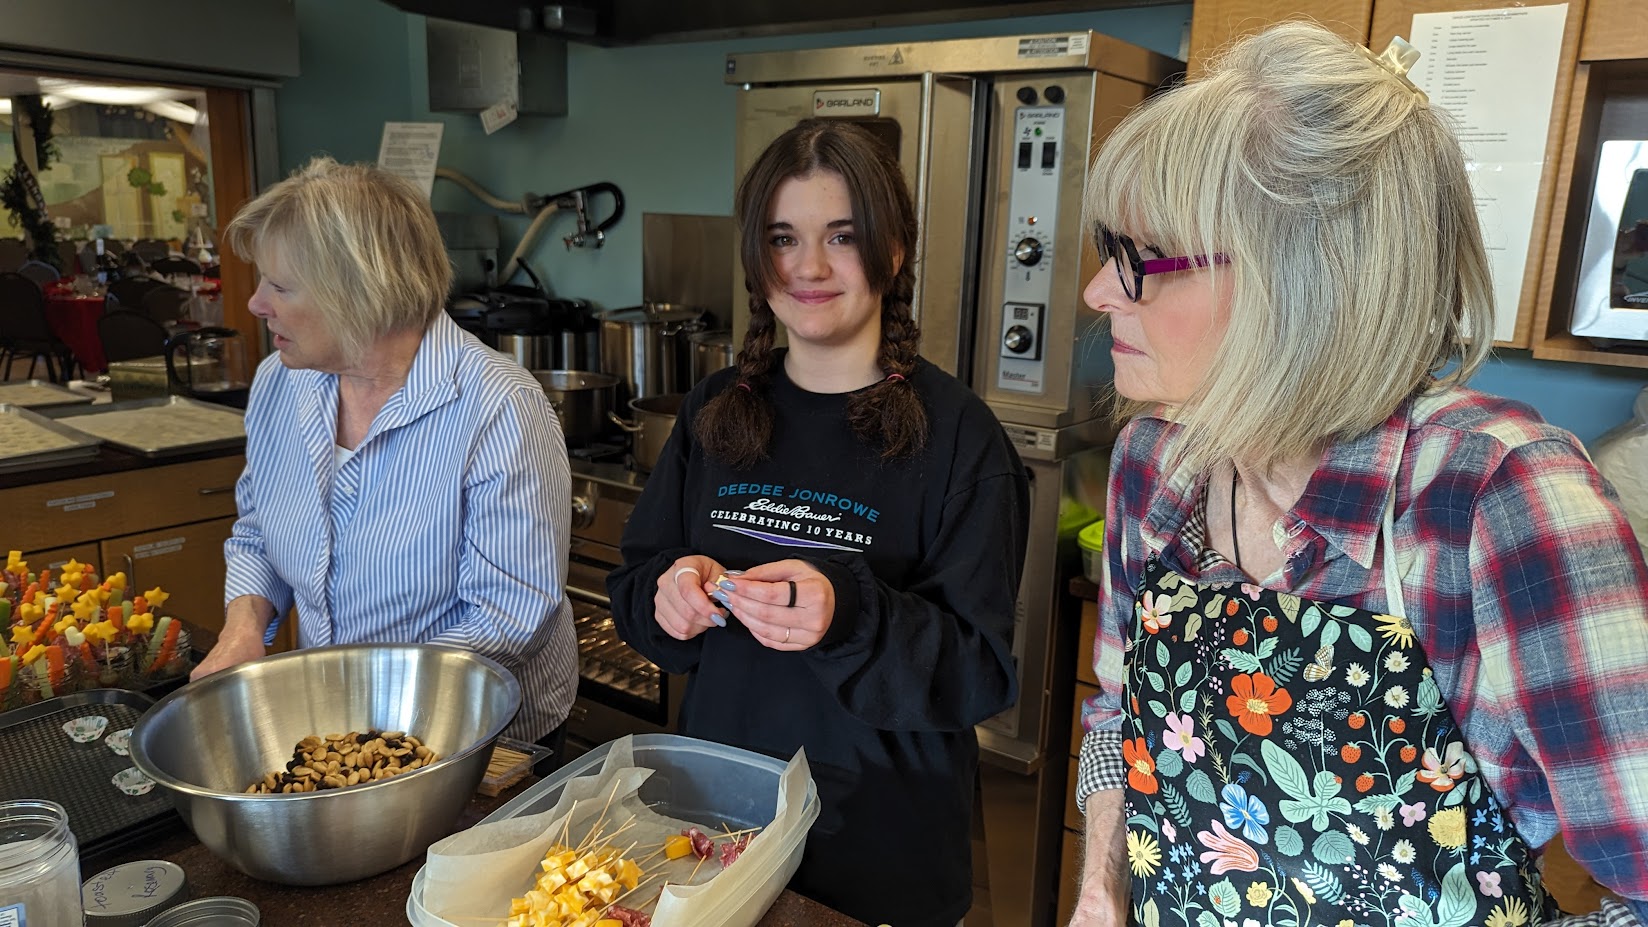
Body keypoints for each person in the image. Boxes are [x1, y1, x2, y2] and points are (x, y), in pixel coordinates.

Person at [1069, 23, 1648, 927]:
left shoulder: (1497, 499)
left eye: (1141, 258)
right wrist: (1102, 887)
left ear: (1296, 282)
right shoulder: (1158, 461)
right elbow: (1116, 719)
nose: (1100, 291)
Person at [606, 119, 1029, 927]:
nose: (808, 266)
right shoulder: (714, 411)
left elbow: (980, 673)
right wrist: (668, 597)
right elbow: (637, 584)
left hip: (879, 858)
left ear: (893, 249)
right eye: (782, 238)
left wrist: (847, 609)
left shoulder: (961, 438)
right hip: (713, 837)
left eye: (841, 235)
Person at [191, 157, 578, 751]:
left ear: (358, 292)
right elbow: (259, 532)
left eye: (281, 286)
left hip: (481, 742)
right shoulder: (280, 381)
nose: (256, 304)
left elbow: (507, 617)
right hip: (336, 726)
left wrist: (356, 701)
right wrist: (244, 629)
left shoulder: (499, 408)